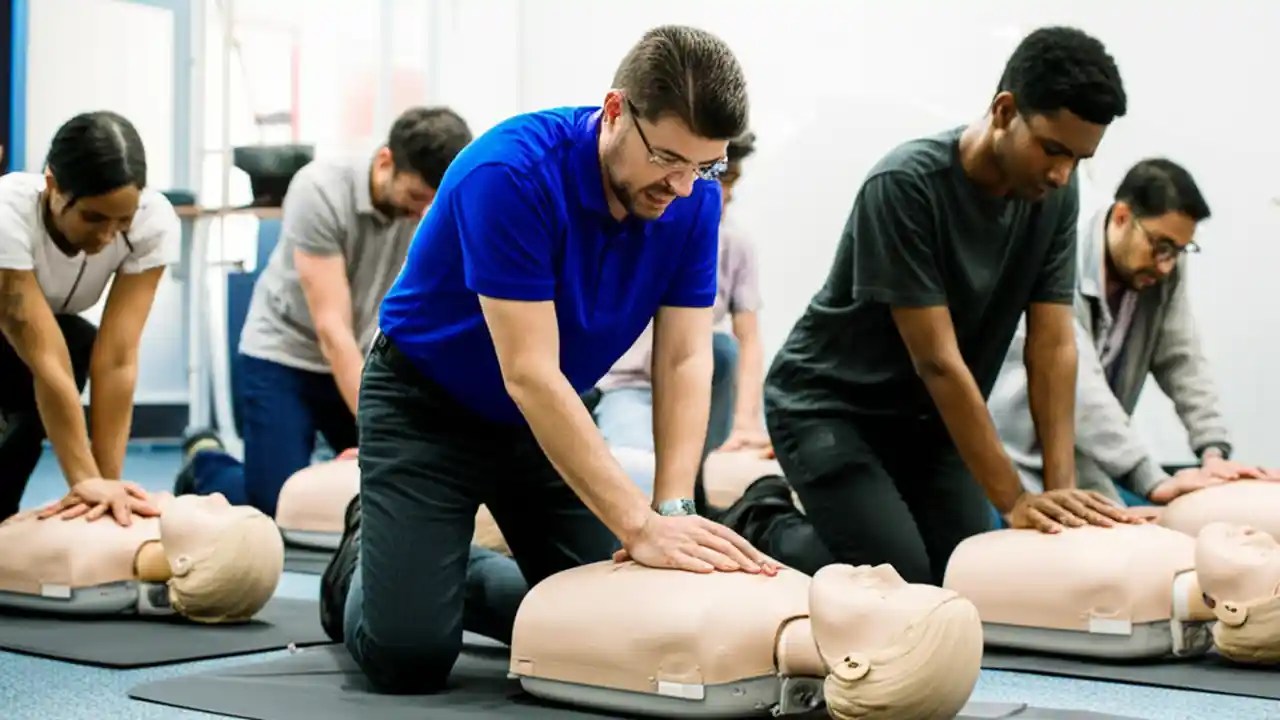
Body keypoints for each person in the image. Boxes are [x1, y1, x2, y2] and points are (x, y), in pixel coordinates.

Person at [321, 25, 776, 694]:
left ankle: (447, 570)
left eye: (704, 166)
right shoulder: (509, 173)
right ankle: (368, 549)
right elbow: (527, 372)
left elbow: (683, 359)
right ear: (615, 111)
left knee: (613, 623)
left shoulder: (694, 199)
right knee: (409, 659)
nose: (683, 187)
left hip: (547, 418)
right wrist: (636, 524)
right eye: (669, 159)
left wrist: (672, 509)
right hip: (427, 407)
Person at [722, 27, 1140, 586]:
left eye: (1079, 159)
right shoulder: (905, 185)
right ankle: (762, 515)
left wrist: (1058, 492)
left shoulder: (1056, 198)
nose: (1062, 173)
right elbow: (938, 361)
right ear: (1004, 111)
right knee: (900, 580)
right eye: (1052, 149)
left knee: (968, 576)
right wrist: (1013, 497)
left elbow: (1053, 345)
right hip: (830, 411)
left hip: (929, 425)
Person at [174, 106, 473, 517]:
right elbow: (331, 328)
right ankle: (205, 461)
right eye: (416, 198)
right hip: (283, 355)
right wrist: (377, 427)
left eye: (432, 205)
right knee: (276, 504)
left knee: (409, 475)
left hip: (357, 355)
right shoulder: (319, 190)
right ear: (385, 161)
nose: (422, 215)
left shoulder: (430, 209)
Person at [990, 158, 1264, 508]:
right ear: (1121, 217)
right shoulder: (1062, 259)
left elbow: (1183, 360)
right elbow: (1078, 386)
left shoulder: (1162, 272)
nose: (1166, 265)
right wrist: (1149, 478)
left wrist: (1213, 451)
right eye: (1161, 246)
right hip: (1018, 459)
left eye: (1179, 251)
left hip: (1088, 457)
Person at [0, 111, 178, 526]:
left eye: (122, 221)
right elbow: (44, 358)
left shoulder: (153, 221)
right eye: (94, 218)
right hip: (10, 338)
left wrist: (106, 490)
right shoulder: (7, 212)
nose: (106, 235)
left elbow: (116, 358)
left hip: (47, 342)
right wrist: (84, 478)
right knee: (55, 354)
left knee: (81, 343)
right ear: (53, 187)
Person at [593, 129, 768, 494]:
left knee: (723, 350)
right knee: (639, 474)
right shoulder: (642, 225)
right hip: (631, 385)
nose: (725, 193)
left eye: (731, 180)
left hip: (694, 383)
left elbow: (748, 338)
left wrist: (747, 421)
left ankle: (694, 489)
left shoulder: (735, 244)